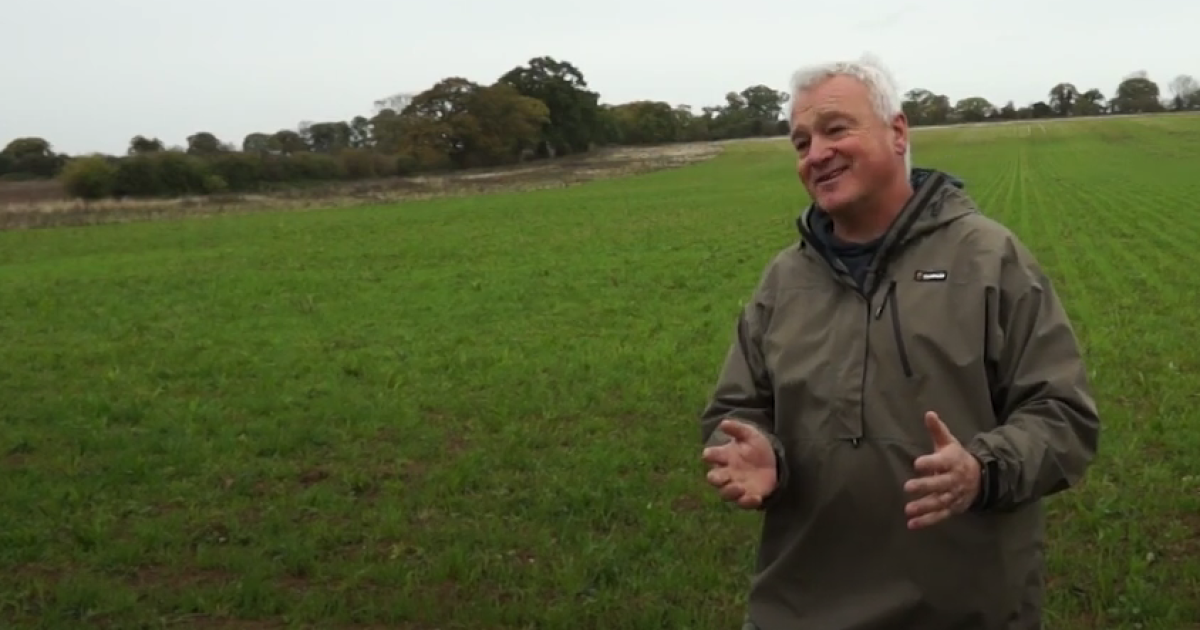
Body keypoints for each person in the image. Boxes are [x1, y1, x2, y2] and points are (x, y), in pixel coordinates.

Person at [698, 55, 1101, 630]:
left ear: (897, 131)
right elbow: (735, 408)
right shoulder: (783, 281)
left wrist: (981, 471)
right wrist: (755, 448)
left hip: (963, 609)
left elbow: (1064, 417)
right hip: (800, 606)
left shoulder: (989, 260)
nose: (816, 154)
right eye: (801, 141)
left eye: (836, 129)